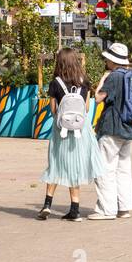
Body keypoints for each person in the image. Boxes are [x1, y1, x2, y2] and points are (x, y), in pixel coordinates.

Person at [37, 48, 105, 222]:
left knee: (55, 164)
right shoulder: (85, 82)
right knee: (74, 167)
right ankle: (75, 210)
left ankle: (46, 205)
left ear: (59, 62)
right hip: (81, 132)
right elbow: (87, 108)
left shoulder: (55, 83)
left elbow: (53, 110)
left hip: (61, 132)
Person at [88, 42, 132, 221]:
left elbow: (98, 98)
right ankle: (124, 207)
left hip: (112, 128)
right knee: (123, 169)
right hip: (128, 127)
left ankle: (106, 209)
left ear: (112, 60)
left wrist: (103, 79)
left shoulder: (114, 76)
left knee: (105, 168)